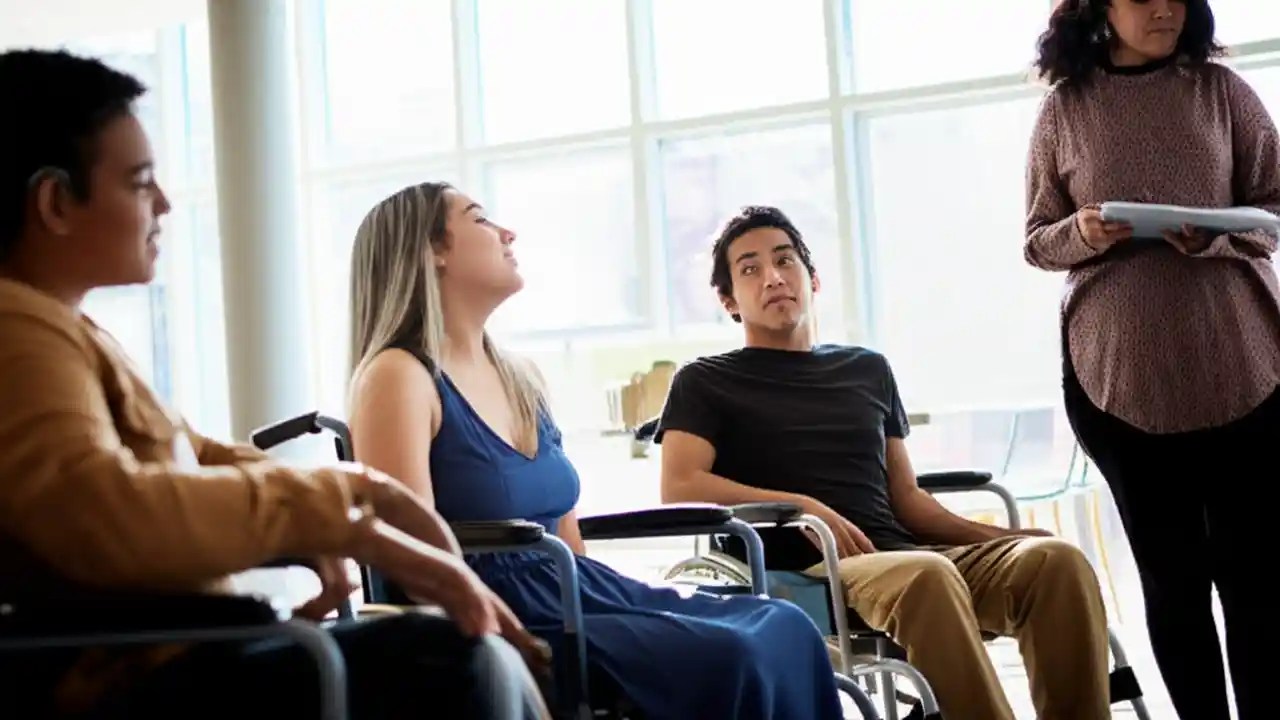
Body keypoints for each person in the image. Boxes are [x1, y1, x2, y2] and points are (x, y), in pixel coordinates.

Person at [0, 48, 551, 720]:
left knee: (464, 650)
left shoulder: (68, 330)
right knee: (454, 655)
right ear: (56, 202)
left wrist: (352, 503)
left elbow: (198, 454)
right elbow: (96, 509)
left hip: (192, 646)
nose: (165, 203)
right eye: (140, 181)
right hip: (137, 677)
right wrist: (344, 518)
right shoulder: (16, 331)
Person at [345, 182, 846, 720]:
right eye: (480, 219)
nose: (506, 232)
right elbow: (410, 550)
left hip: (578, 590)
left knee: (786, 626)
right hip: (498, 612)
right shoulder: (399, 376)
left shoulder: (520, 378)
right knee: (732, 653)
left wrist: (612, 606)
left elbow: (569, 539)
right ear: (432, 251)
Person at [655, 205, 1112, 720]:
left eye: (785, 261)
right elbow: (680, 486)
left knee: (1056, 562)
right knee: (926, 574)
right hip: (815, 569)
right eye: (750, 269)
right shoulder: (705, 381)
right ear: (728, 301)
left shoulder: (867, 369)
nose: (774, 277)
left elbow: (908, 500)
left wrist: (1004, 541)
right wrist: (804, 506)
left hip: (907, 554)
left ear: (813, 278)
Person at [1024, 1, 1280, 718]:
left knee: (1256, 581)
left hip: (1247, 372)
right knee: (1173, 582)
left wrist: (1219, 237)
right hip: (1119, 382)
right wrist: (1084, 230)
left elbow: (1274, 209)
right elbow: (1038, 241)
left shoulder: (1224, 93)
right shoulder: (1064, 112)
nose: (1165, 5)